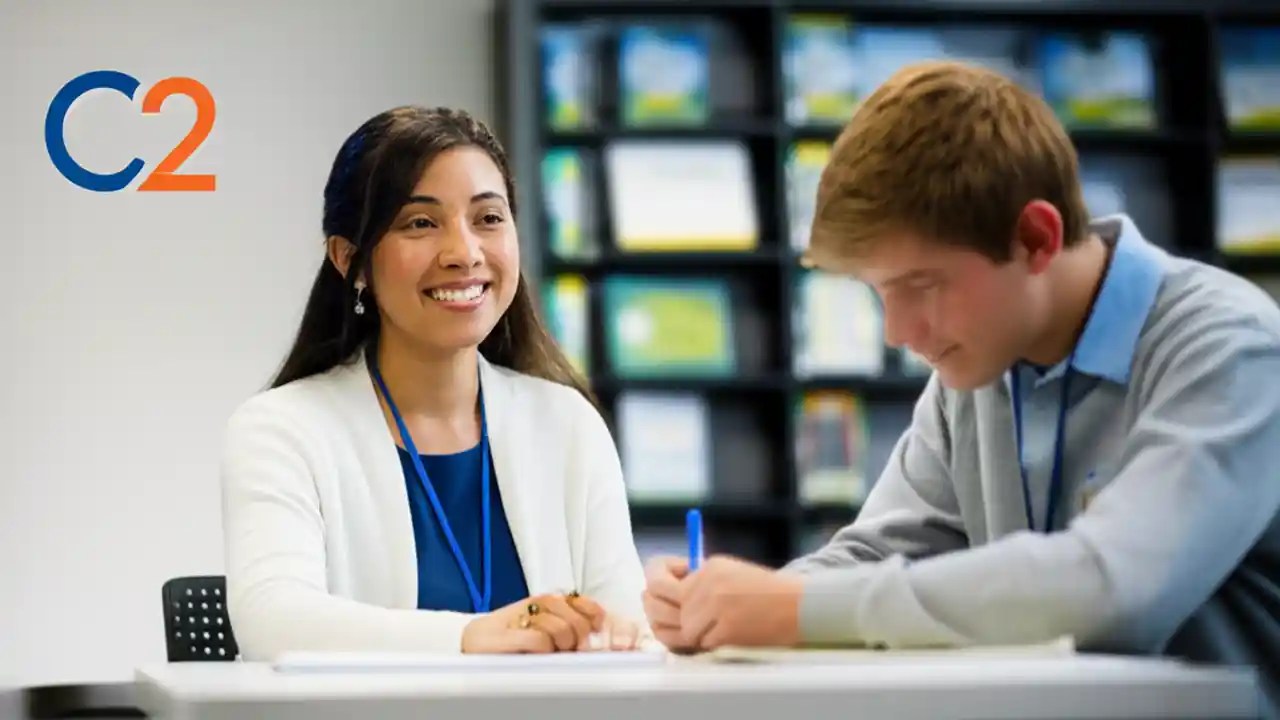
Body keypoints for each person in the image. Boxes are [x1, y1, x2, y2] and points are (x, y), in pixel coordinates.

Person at [642, 61, 1280, 712]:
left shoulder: (1230, 348)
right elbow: (877, 554)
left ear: (1036, 238)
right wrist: (722, 602)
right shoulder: (978, 365)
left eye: (921, 286)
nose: (896, 331)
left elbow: (1110, 589)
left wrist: (794, 610)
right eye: (878, 293)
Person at [221, 106, 647, 659]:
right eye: (421, 223)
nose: (464, 253)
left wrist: (626, 633)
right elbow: (272, 622)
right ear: (350, 260)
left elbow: (627, 627)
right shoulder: (282, 430)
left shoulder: (567, 423)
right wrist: (474, 636)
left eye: (489, 219)